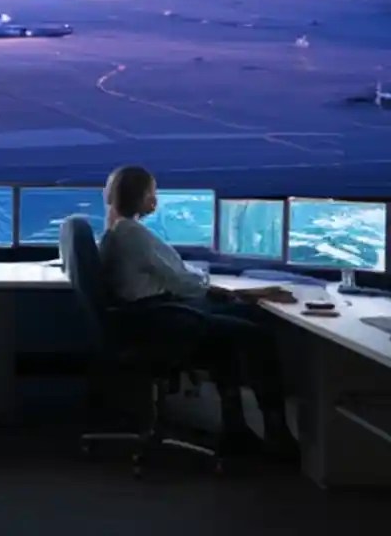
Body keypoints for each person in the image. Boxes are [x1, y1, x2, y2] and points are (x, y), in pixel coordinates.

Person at [98, 165, 296, 456]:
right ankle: (276, 432)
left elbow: (172, 275)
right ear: (141, 198)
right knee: (257, 335)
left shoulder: (115, 231)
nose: (155, 199)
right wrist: (209, 284)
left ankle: (236, 427)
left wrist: (215, 289)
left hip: (151, 317)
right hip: (159, 320)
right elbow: (182, 281)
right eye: (152, 193)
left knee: (233, 323)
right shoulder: (133, 234)